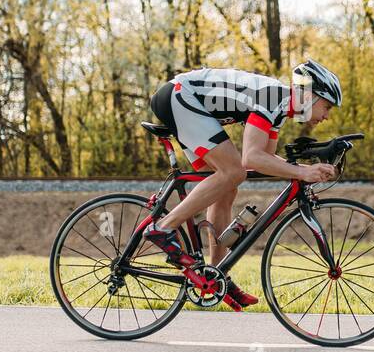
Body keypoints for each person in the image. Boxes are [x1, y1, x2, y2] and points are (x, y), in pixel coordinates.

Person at [139, 60, 341, 310]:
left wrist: (305, 170)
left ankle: (215, 274)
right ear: (309, 96)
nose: (327, 115)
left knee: (228, 184)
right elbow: (250, 158)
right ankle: (164, 228)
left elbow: (263, 160)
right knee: (232, 171)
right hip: (180, 96)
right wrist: (302, 171)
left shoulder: (278, 110)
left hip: (185, 101)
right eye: (327, 106)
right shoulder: (273, 97)